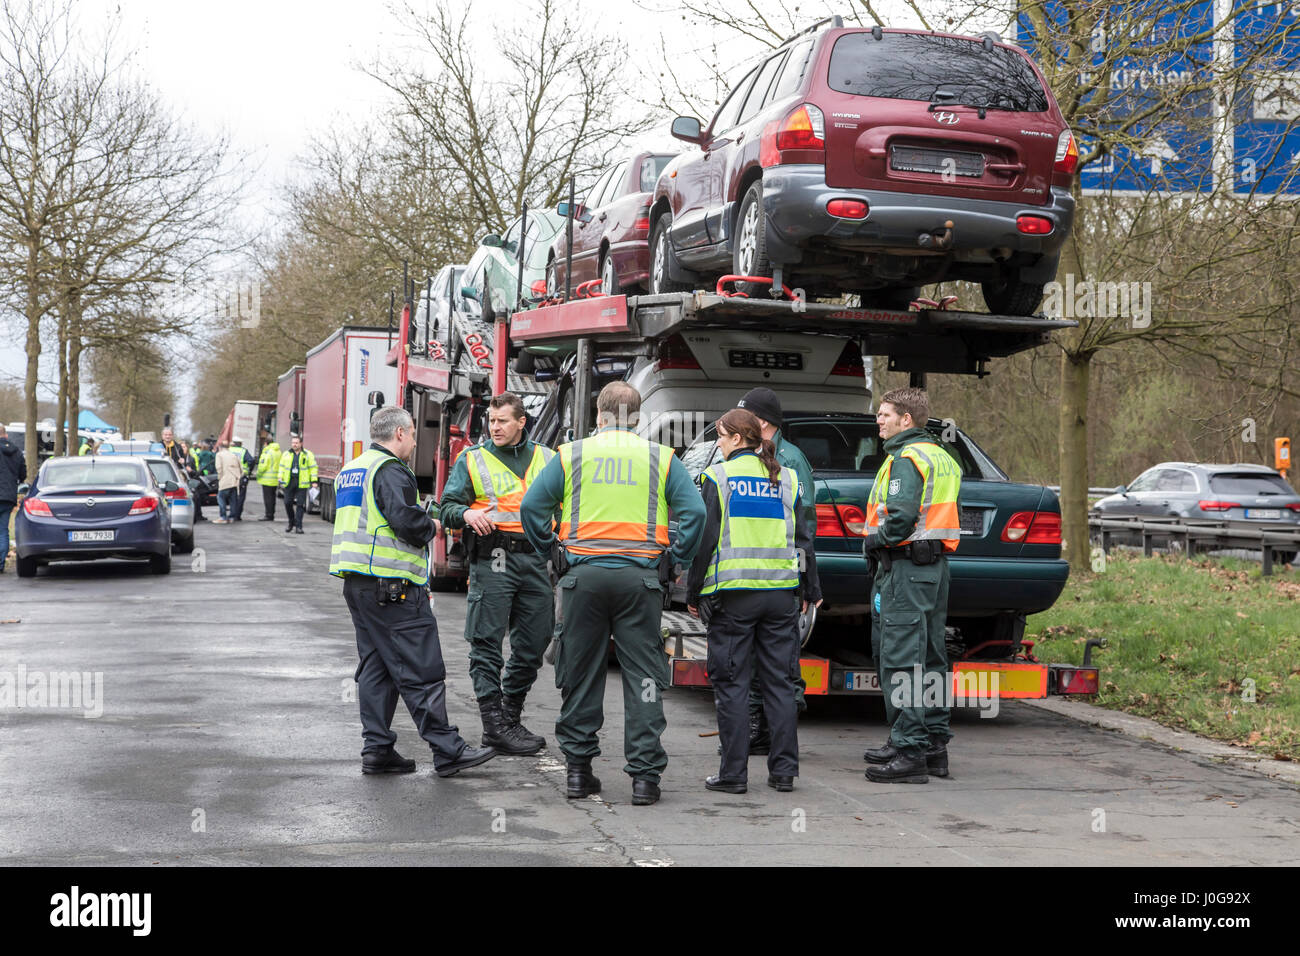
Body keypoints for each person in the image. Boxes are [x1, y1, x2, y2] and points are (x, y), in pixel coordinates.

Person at [520, 382, 705, 806]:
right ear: (637, 419)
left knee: (582, 671)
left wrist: (551, 550)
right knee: (643, 676)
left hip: (582, 579)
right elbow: (694, 512)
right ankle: (644, 779)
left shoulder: (571, 455)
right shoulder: (661, 458)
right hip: (640, 582)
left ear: (598, 416)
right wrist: (675, 557)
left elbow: (532, 509)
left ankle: (578, 773)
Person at [328, 404, 496, 778]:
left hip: (359, 584)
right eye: (414, 434)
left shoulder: (353, 468)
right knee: (421, 667)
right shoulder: (389, 470)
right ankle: (447, 749)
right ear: (400, 433)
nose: (414, 442)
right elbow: (405, 521)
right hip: (393, 587)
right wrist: (432, 524)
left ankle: (377, 749)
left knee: (377, 669)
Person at [687, 408, 817, 794]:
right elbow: (803, 539)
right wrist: (810, 588)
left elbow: (704, 541)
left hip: (734, 599)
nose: (719, 444)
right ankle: (783, 773)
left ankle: (733, 775)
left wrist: (694, 592)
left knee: (732, 685)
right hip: (780, 598)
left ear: (739, 439)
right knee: (779, 683)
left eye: (722, 437)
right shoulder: (787, 479)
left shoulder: (719, 477)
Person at [439, 392, 555, 756]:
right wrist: (466, 515)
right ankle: (494, 724)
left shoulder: (548, 459)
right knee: (486, 644)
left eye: (503, 420)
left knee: (534, 644)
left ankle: (508, 718)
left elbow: (565, 506)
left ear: (522, 422)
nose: (495, 427)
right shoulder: (472, 459)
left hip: (535, 561)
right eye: (491, 420)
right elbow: (446, 507)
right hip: (494, 559)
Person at [861, 387, 962, 784]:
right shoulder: (941, 455)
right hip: (934, 569)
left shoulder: (906, 458)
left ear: (906, 420)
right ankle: (934, 745)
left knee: (902, 658)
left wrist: (873, 539)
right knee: (932, 657)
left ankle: (908, 750)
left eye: (885, 415)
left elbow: (900, 519)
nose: (879, 420)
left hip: (905, 569)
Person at [733, 386, 822, 751]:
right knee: (754, 658)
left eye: (745, 414)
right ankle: (761, 730)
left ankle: (777, 734)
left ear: (763, 422)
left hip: (780, 579)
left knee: (781, 663)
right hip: (750, 575)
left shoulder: (791, 459)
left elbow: (805, 527)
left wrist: (803, 584)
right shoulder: (745, 453)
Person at [0, 424, 27, 574]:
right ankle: (1, 564)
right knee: (3, 530)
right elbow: (23, 474)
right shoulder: (16, 451)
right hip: (8, 497)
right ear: (6, 435)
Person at [278, 435, 317, 534]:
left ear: (301, 444)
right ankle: (291, 522)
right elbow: (281, 467)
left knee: (300, 505)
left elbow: (313, 468)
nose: (294, 444)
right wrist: (280, 477)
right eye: (293, 443)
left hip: (301, 483)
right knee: (287, 503)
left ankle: (299, 526)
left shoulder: (308, 454)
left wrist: (314, 481)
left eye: (296, 443)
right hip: (289, 482)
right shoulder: (286, 454)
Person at [254, 429, 282, 521]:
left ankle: (268, 515)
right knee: (273, 498)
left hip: (267, 479)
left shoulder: (267, 452)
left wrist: (258, 474)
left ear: (266, 443)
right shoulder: (278, 451)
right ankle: (271, 514)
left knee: (267, 498)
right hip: (275, 479)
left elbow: (263, 466)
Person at [213, 440, 242, 524]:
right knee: (233, 500)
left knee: (221, 498)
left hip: (225, 480)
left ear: (220, 447)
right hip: (234, 480)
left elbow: (219, 468)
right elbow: (241, 468)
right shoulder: (233, 455)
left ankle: (223, 517)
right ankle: (232, 517)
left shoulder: (219, 455)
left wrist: (220, 478)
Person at [228, 438, 254, 521]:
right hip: (241, 476)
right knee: (241, 496)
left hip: (229, 476)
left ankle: (231, 513)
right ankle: (237, 515)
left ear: (233, 443)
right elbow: (251, 460)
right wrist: (249, 471)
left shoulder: (228, 450)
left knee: (232, 496)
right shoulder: (243, 451)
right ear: (241, 444)